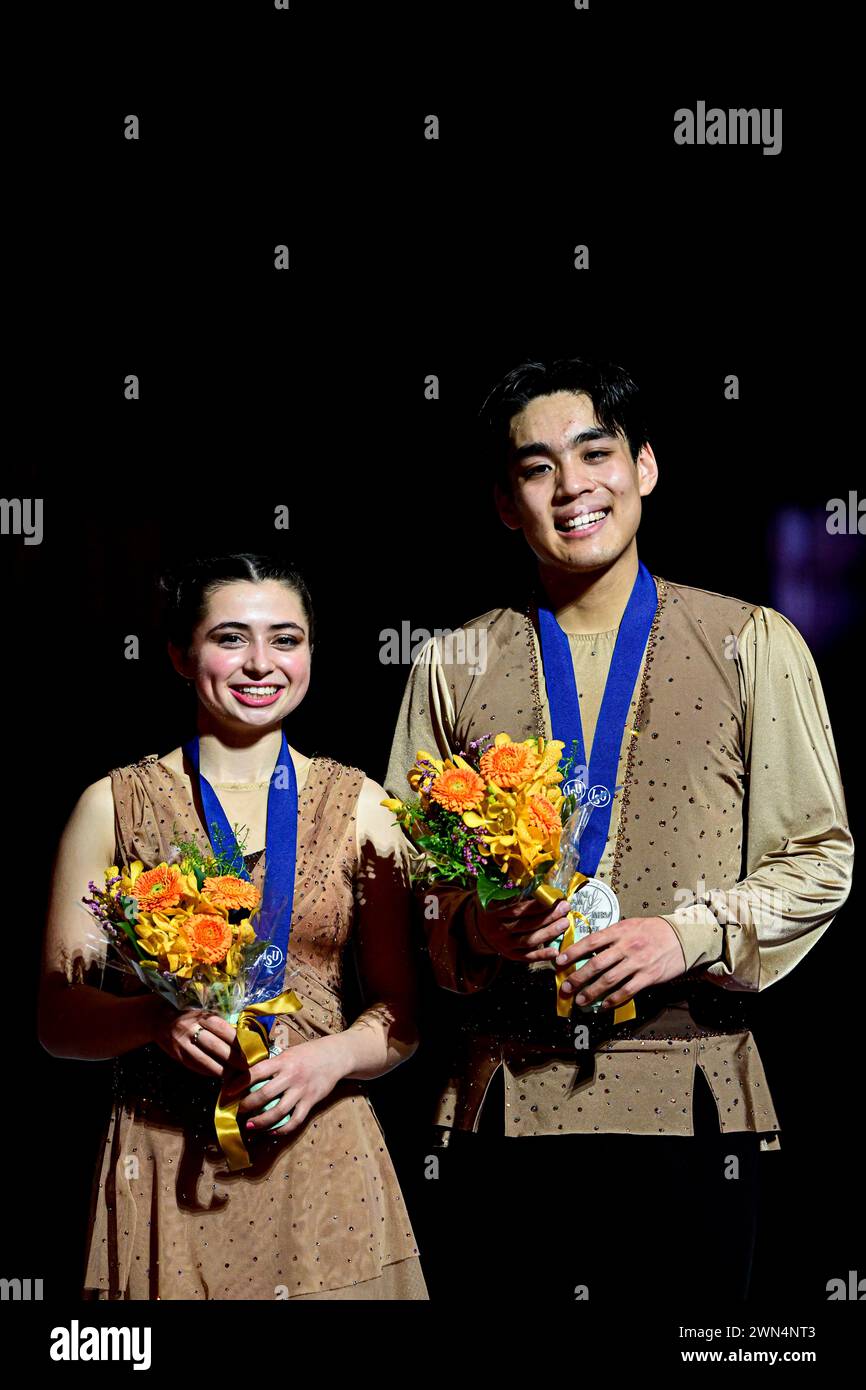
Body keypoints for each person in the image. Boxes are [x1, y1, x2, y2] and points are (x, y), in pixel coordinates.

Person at [384, 357, 854, 1302]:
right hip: (503, 1099)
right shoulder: (453, 663)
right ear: (505, 503)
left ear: (645, 467)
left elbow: (818, 857)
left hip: (695, 1096)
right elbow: (399, 876)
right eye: (537, 467)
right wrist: (472, 928)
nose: (572, 487)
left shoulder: (751, 642)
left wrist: (687, 932)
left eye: (595, 453)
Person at [39, 552, 428, 1300]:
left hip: (322, 1161)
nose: (260, 663)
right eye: (230, 639)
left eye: (286, 639)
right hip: (161, 1163)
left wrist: (329, 1061)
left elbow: (402, 1017)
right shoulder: (111, 805)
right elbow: (58, 1020)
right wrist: (154, 1019)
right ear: (181, 656)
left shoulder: (363, 805)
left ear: (311, 651)